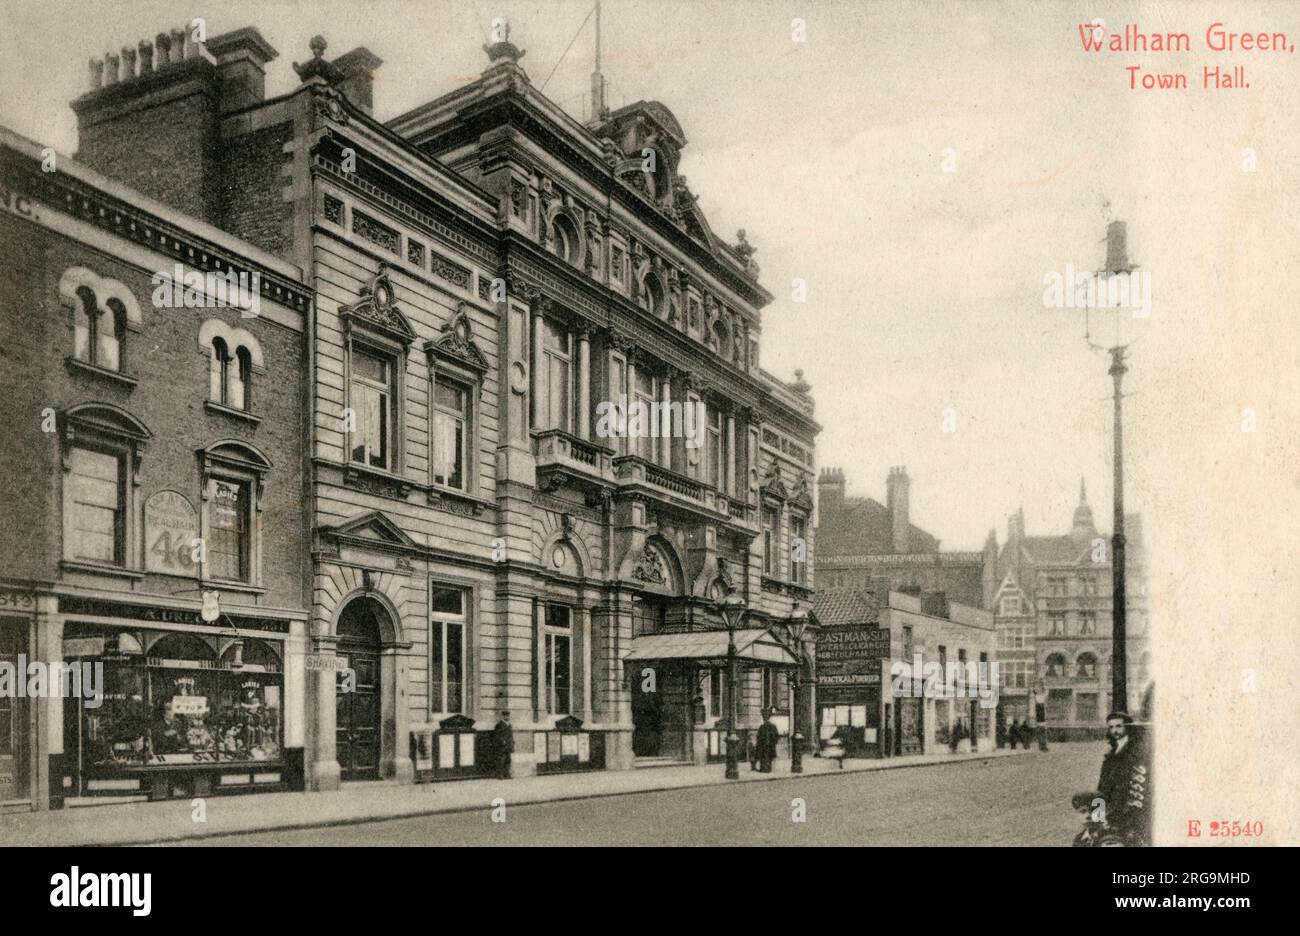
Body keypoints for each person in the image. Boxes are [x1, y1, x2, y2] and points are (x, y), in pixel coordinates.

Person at [1096, 711, 1149, 845]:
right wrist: (1098, 813)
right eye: (1111, 727)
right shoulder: (1112, 751)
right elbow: (1103, 785)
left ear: (1127, 727)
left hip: (1129, 809)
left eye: (1119, 726)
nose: (1114, 730)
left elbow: (1139, 784)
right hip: (1112, 808)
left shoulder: (1136, 750)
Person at [755, 708, 779, 773]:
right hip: (770, 746)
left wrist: (758, 745)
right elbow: (776, 737)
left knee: (763, 758)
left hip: (763, 747)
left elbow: (758, 737)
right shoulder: (773, 726)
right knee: (769, 758)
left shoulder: (762, 727)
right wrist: (773, 743)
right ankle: (768, 769)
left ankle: (764, 769)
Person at [492, 710, 514, 779]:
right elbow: (497, 735)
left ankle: (507, 774)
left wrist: (512, 742)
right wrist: (502, 741)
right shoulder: (499, 725)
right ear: (503, 716)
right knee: (501, 760)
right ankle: (500, 775)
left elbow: (511, 735)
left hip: (508, 745)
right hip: (502, 746)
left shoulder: (509, 724)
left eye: (508, 716)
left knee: (508, 760)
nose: (507, 717)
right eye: (506, 716)